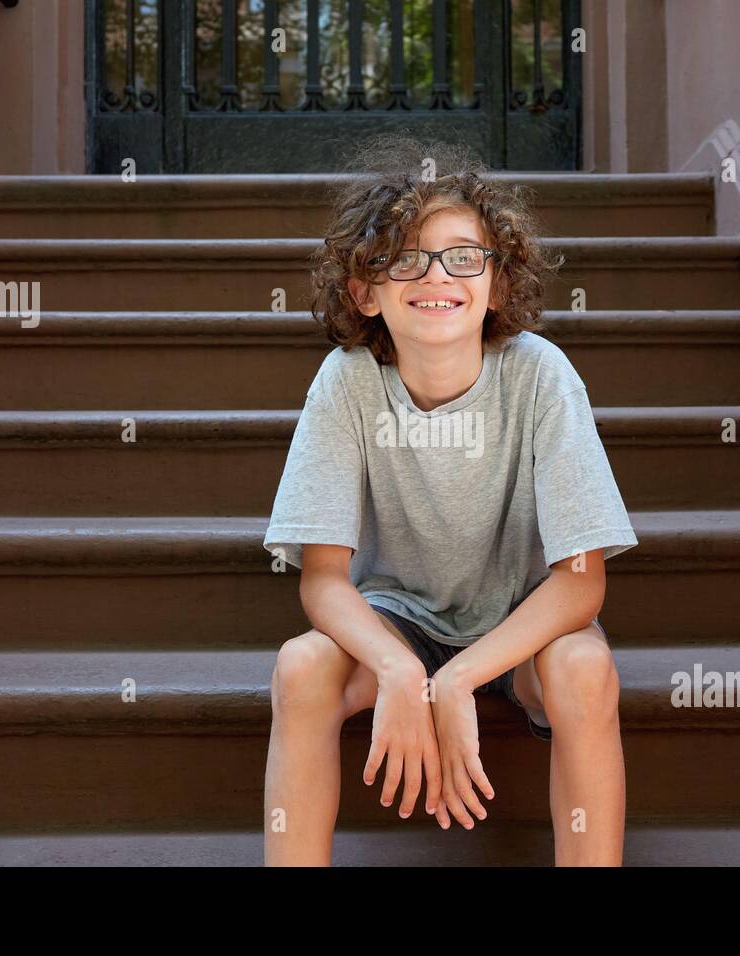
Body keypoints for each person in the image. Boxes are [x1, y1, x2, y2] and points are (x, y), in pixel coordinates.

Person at [262, 135, 638, 866]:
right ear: (363, 290)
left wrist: (459, 677)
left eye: (464, 255)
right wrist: (405, 672)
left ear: (497, 283)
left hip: (522, 622)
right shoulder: (345, 382)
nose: (436, 275)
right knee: (301, 667)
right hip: (397, 621)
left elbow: (583, 581)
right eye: (403, 256)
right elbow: (323, 580)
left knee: (585, 669)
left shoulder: (540, 377)